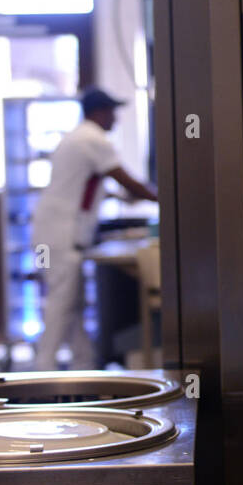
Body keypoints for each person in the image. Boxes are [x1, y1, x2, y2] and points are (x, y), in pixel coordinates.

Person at [31, 87, 158, 371]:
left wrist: (128, 195)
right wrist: (167, 197)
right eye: (112, 112)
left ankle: (83, 366)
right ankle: (42, 370)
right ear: (98, 112)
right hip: (60, 236)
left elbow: (98, 187)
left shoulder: (78, 138)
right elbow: (130, 183)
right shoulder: (92, 138)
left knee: (72, 306)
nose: (115, 118)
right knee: (61, 304)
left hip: (54, 233)